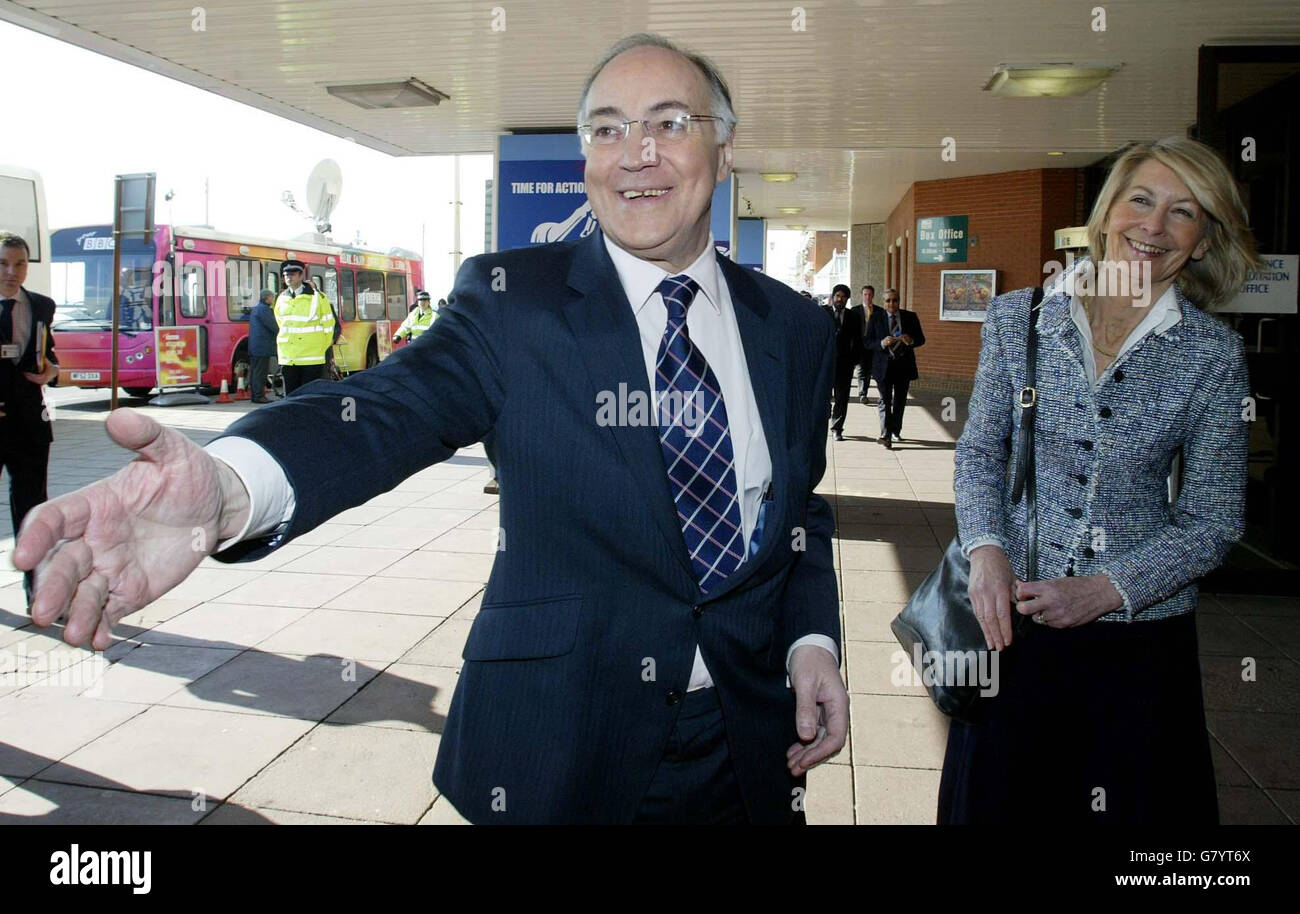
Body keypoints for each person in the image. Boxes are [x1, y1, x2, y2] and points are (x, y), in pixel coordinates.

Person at [16, 32, 847, 826]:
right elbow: (386, 407)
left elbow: (796, 508)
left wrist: (812, 639)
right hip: (560, 753)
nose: (637, 152)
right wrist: (229, 490)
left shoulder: (793, 329)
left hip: (747, 750)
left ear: (725, 148)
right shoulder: (514, 303)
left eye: (670, 122)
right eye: (607, 129)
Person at [943, 136, 1260, 824]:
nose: (1153, 226)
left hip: (1138, 652)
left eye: (1183, 212)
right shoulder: (1017, 318)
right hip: (1011, 624)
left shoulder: (1214, 356)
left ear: (1202, 241)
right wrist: (987, 550)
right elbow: (978, 453)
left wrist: (1107, 589)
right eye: (1140, 200)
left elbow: (1214, 519)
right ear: (1106, 212)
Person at [0, 233, 59, 612]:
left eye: (19, 264)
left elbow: (47, 354)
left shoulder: (40, 306)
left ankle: (39, 591)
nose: (11, 272)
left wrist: (52, 371)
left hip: (28, 426)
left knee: (33, 511)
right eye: (4, 264)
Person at [863, 288, 924, 448]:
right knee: (884, 400)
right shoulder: (876, 318)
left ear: (899, 301)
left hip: (903, 366)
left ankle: (895, 429)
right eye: (888, 300)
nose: (891, 303)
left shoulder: (910, 317)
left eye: (894, 300)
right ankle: (885, 434)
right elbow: (868, 342)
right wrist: (882, 343)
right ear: (883, 303)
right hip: (884, 366)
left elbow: (921, 339)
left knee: (899, 401)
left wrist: (910, 340)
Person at [274, 260, 336, 394]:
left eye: (292, 274)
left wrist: (320, 348)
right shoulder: (281, 298)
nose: (288, 277)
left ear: (301, 276)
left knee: (309, 396)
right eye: (286, 275)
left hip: (311, 357)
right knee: (290, 397)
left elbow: (329, 325)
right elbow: (281, 324)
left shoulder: (319, 298)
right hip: (288, 357)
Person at [821, 282, 864, 442]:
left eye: (843, 297)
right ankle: (823, 421)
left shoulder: (853, 316)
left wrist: (854, 360)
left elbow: (858, 340)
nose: (840, 299)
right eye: (838, 296)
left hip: (845, 365)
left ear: (847, 299)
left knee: (842, 397)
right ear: (832, 297)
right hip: (826, 363)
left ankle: (837, 428)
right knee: (823, 395)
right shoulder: (823, 312)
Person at [248, 290, 278, 403]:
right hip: (262, 347)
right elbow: (273, 326)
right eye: (272, 297)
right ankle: (259, 396)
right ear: (267, 298)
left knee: (255, 372)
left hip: (256, 347)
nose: (273, 299)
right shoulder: (264, 310)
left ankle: (255, 395)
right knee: (260, 373)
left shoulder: (257, 308)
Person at [855, 284, 877, 403]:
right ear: (862, 295)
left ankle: (865, 390)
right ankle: (862, 393)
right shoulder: (855, 311)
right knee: (862, 369)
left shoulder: (879, 311)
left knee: (869, 369)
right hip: (860, 345)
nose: (867, 297)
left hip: (873, 345)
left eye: (869, 294)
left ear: (873, 296)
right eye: (865, 294)